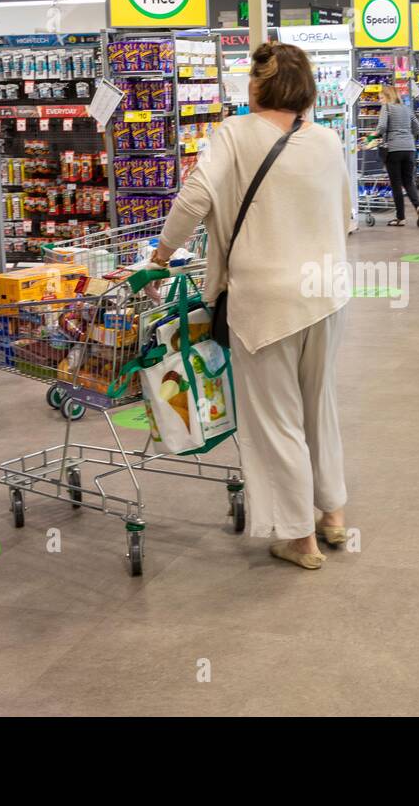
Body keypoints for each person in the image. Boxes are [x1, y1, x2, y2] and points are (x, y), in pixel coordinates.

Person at [150, 42, 350, 571]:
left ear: (257, 86)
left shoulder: (235, 136)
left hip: (265, 302)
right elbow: (347, 215)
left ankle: (298, 538)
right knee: (318, 407)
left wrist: (161, 255)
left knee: (276, 419)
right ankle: (333, 515)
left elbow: (193, 199)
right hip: (327, 296)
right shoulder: (328, 141)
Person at [370, 84, 419, 227]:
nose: (380, 101)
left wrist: (371, 137)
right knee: (408, 181)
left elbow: (381, 127)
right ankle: (418, 206)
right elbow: (418, 127)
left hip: (394, 149)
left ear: (388, 97)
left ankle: (401, 218)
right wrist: (406, 135)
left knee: (396, 184)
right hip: (409, 148)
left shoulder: (387, 108)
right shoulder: (406, 109)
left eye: (381, 98)